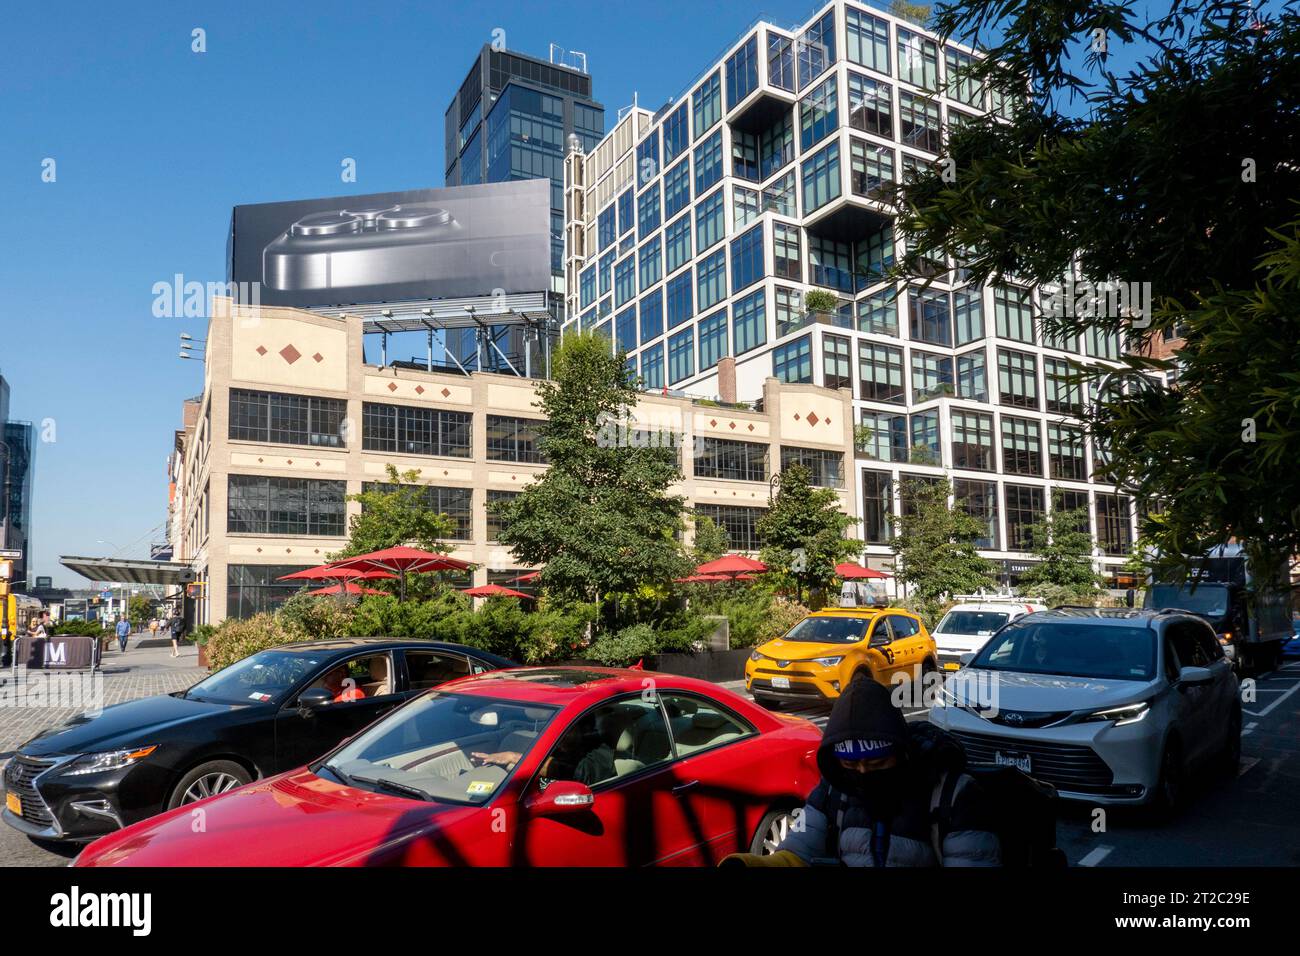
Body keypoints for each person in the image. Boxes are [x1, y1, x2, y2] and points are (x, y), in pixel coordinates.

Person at [723, 678, 1001, 867]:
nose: (863, 773)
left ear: (901, 752)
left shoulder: (954, 795)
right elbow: (798, 849)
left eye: (877, 764)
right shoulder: (833, 790)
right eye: (851, 765)